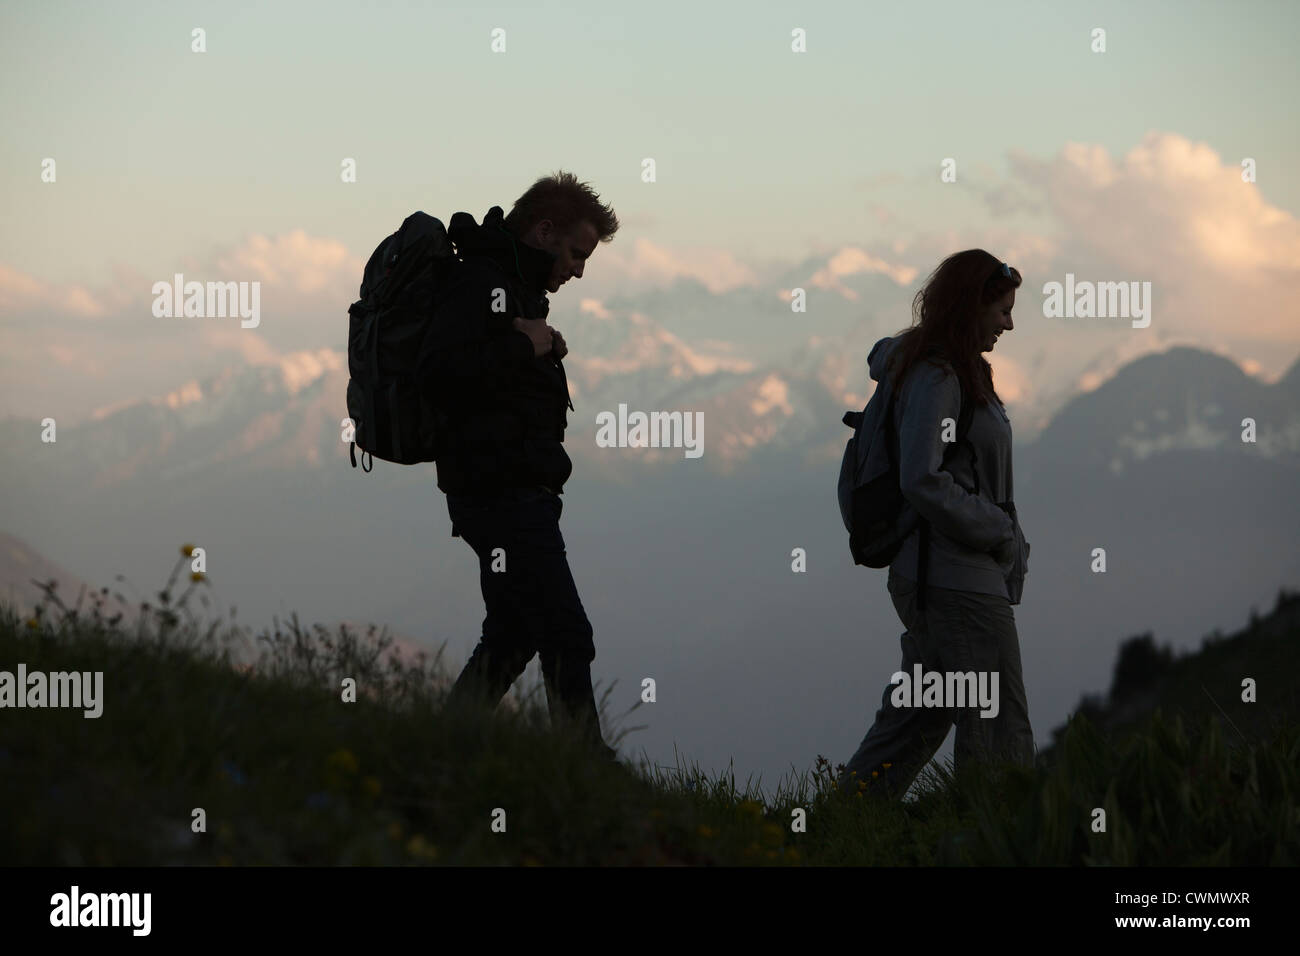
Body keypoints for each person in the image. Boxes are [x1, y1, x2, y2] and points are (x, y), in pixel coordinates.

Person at [435, 171, 619, 759]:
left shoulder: (511, 288)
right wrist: (527, 346)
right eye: (576, 253)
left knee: (513, 633)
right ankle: (586, 773)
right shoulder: (482, 283)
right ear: (544, 231)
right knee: (567, 633)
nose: (579, 270)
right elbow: (442, 373)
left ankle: (443, 746)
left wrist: (534, 344)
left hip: (508, 493)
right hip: (502, 496)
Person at [839, 249, 1034, 798]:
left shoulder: (951, 369)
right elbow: (921, 477)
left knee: (920, 715)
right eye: (1002, 310)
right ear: (971, 306)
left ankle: (845, 816)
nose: (1009, 323)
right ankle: (997, 835)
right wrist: (997, 529)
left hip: (939, 574)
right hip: (954, 579)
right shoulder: (938, 376)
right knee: (997, 724)